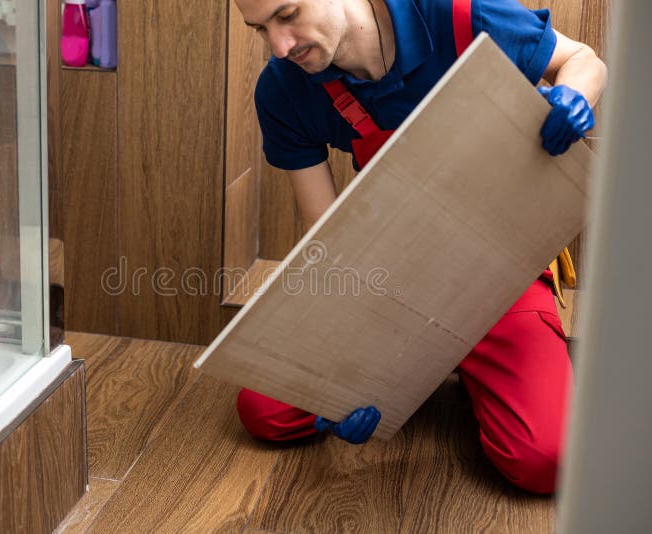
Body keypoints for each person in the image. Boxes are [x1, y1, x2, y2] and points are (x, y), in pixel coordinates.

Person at [233, 0, 607, 494]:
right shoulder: (283, 88)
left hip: (501, 275)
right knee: (264, 410)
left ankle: (458, 370)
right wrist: (335, 385)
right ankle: (433, 370)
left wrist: (572, 98)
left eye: (288, 15)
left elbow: (583, 61)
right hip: (391, 284)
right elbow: (326, 240)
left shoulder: (458, 15)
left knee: (548, 460)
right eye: (260, 29)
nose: (280, 46)